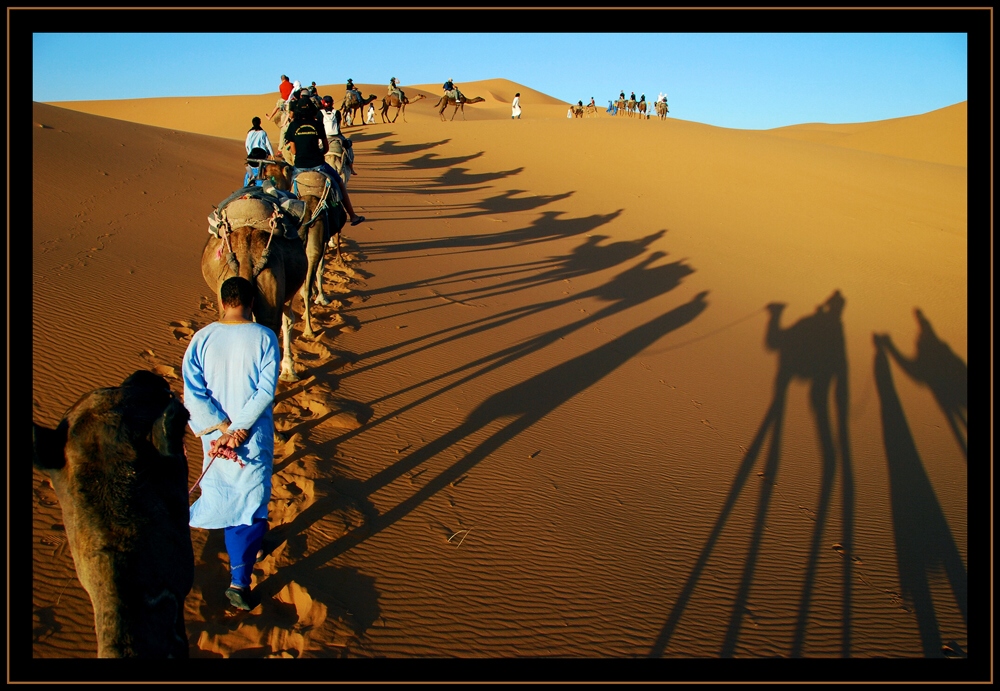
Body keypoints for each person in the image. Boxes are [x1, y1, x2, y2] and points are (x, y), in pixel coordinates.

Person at [183, 276, 280, 611]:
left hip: (215, 438)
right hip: (250, 437)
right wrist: (237, 430)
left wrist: (223, 428)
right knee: (250, 501)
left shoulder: (202, 338)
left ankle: (252, 548)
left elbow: (192, 393)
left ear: (222, 302)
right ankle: (239, 583)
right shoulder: (265, 337)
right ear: (252, 303)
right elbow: (265, 392)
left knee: (226, 493)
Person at [284, 97, 365, 226]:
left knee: (287, 189)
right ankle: (353, 216)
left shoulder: (293, 125)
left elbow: (293, 151)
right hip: (318, 165)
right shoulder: (317, 124)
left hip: (300, 166)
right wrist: (318, 152)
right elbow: (326, 148)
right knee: (339, 183)